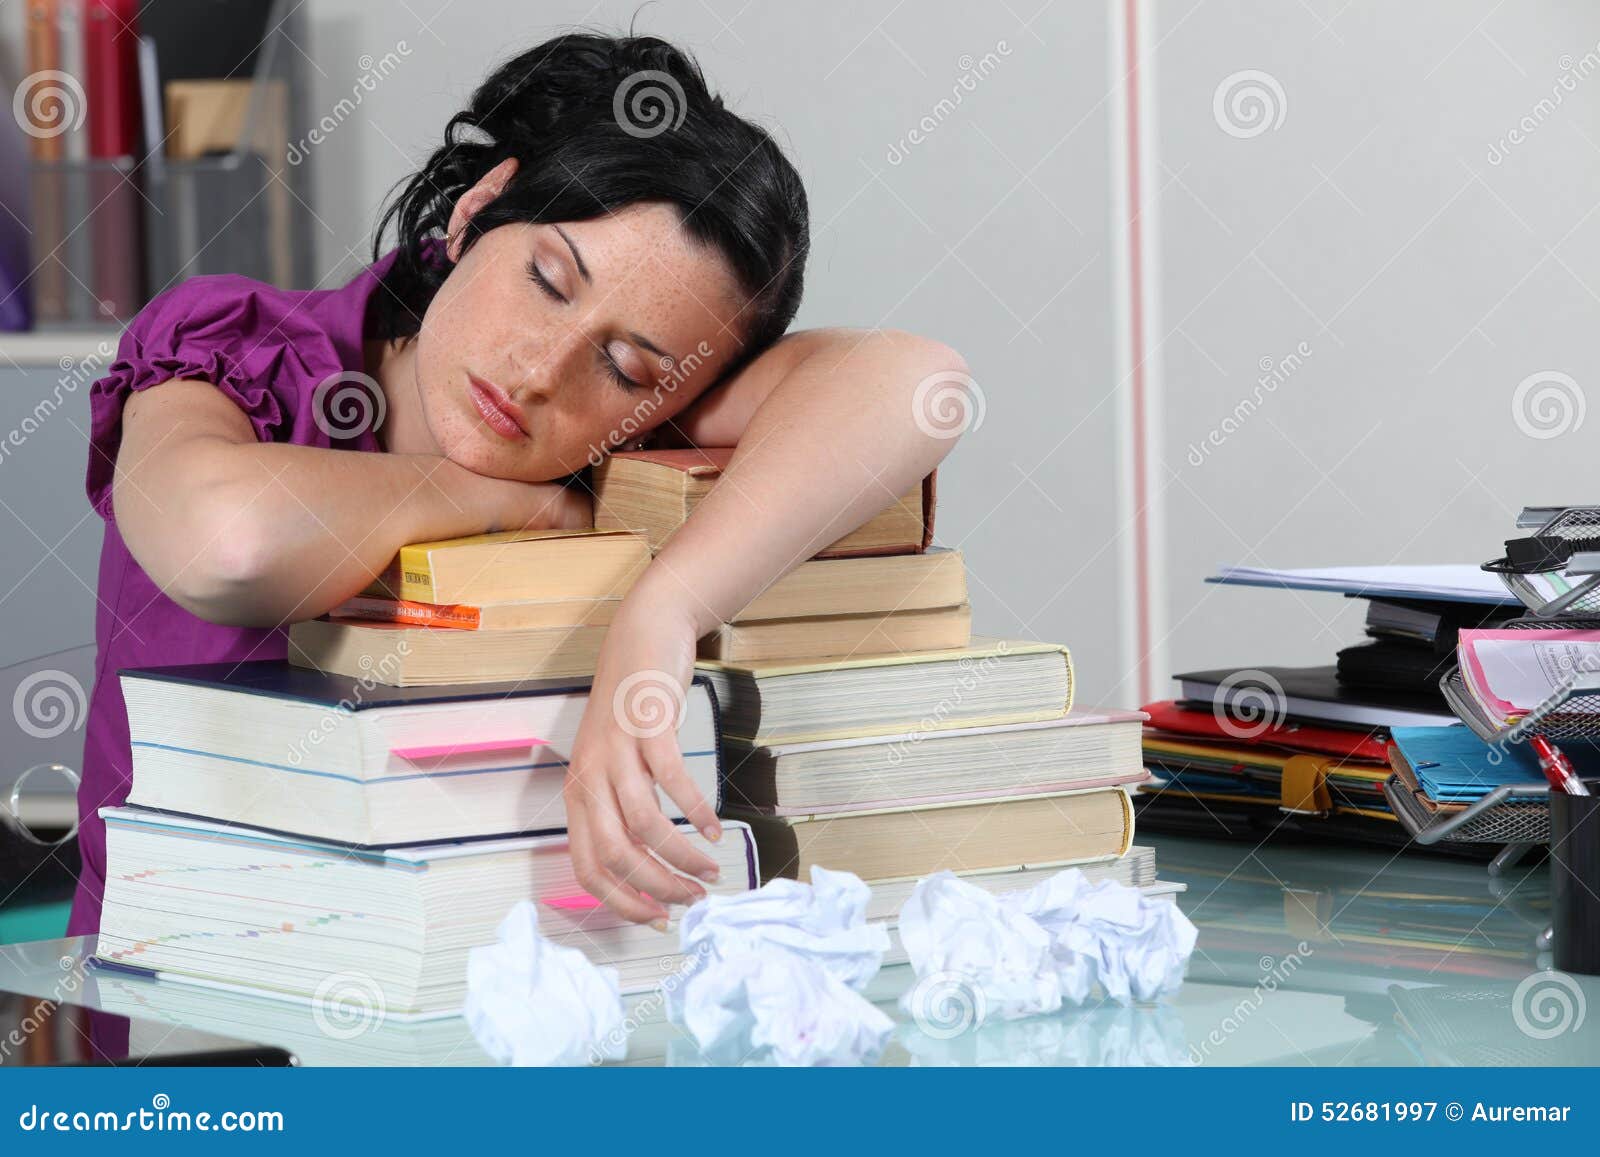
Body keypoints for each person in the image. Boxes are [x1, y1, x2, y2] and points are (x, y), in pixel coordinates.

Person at [71, 30, 969, 935]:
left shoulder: (627, 436)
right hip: (166, 1020)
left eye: (623, 366)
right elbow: (229, 545)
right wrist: (508, 500)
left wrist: (664, 610)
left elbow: (925, 385)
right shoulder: (237, 351)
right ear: (482, 205)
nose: (542, 372)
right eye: (548, 280)